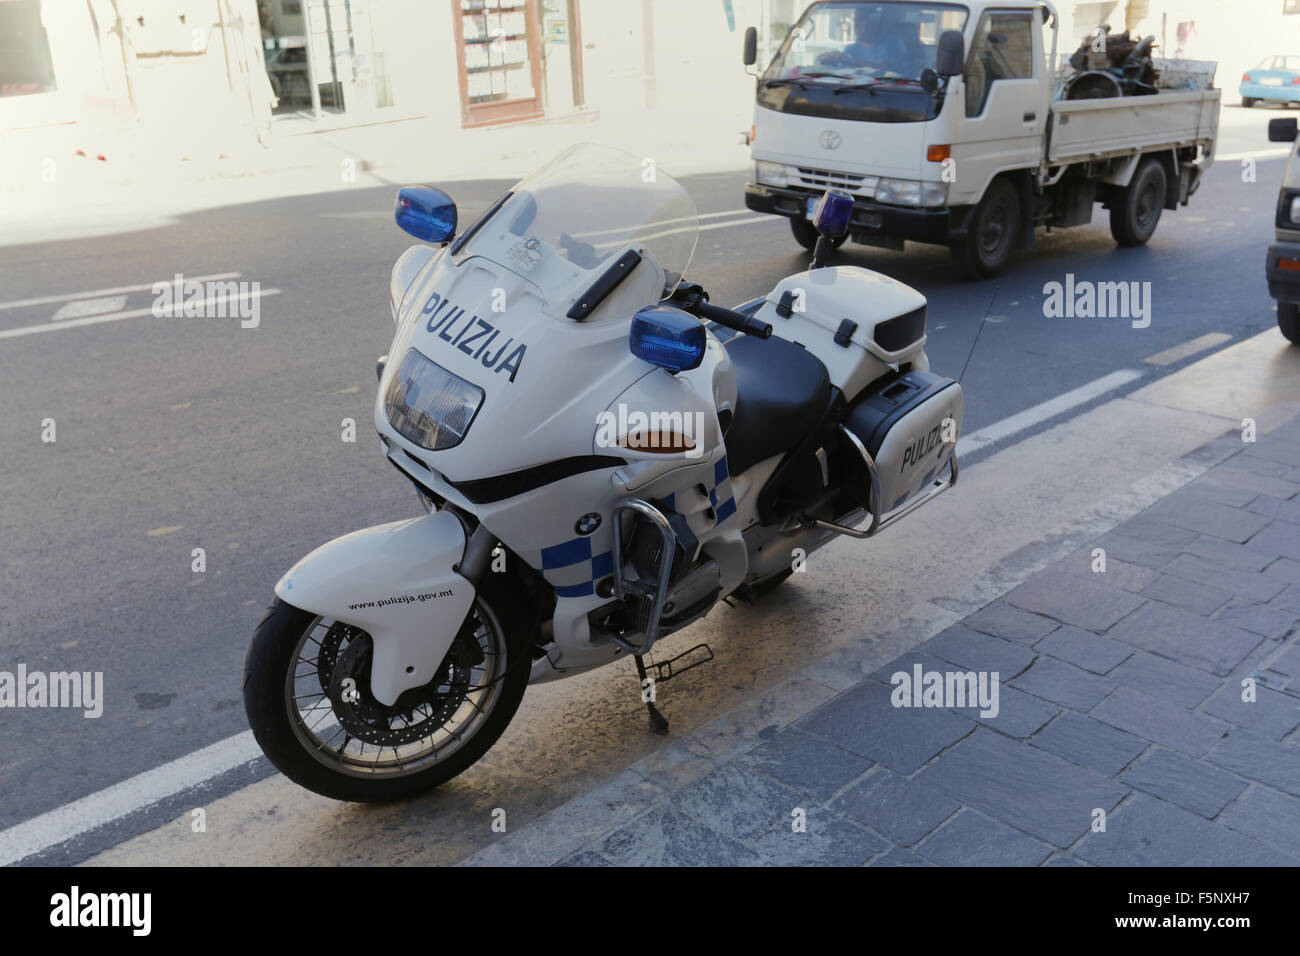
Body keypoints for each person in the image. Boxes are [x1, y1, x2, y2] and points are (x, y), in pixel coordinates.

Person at [844, 5, 909, 72]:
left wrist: (852, 61)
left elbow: (885, 68)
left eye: (860, 20)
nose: (856, 24)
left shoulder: (893, 44)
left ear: (873, 23)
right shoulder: (850, 49)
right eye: (855, 20)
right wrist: (837, 60)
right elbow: (841, 72)